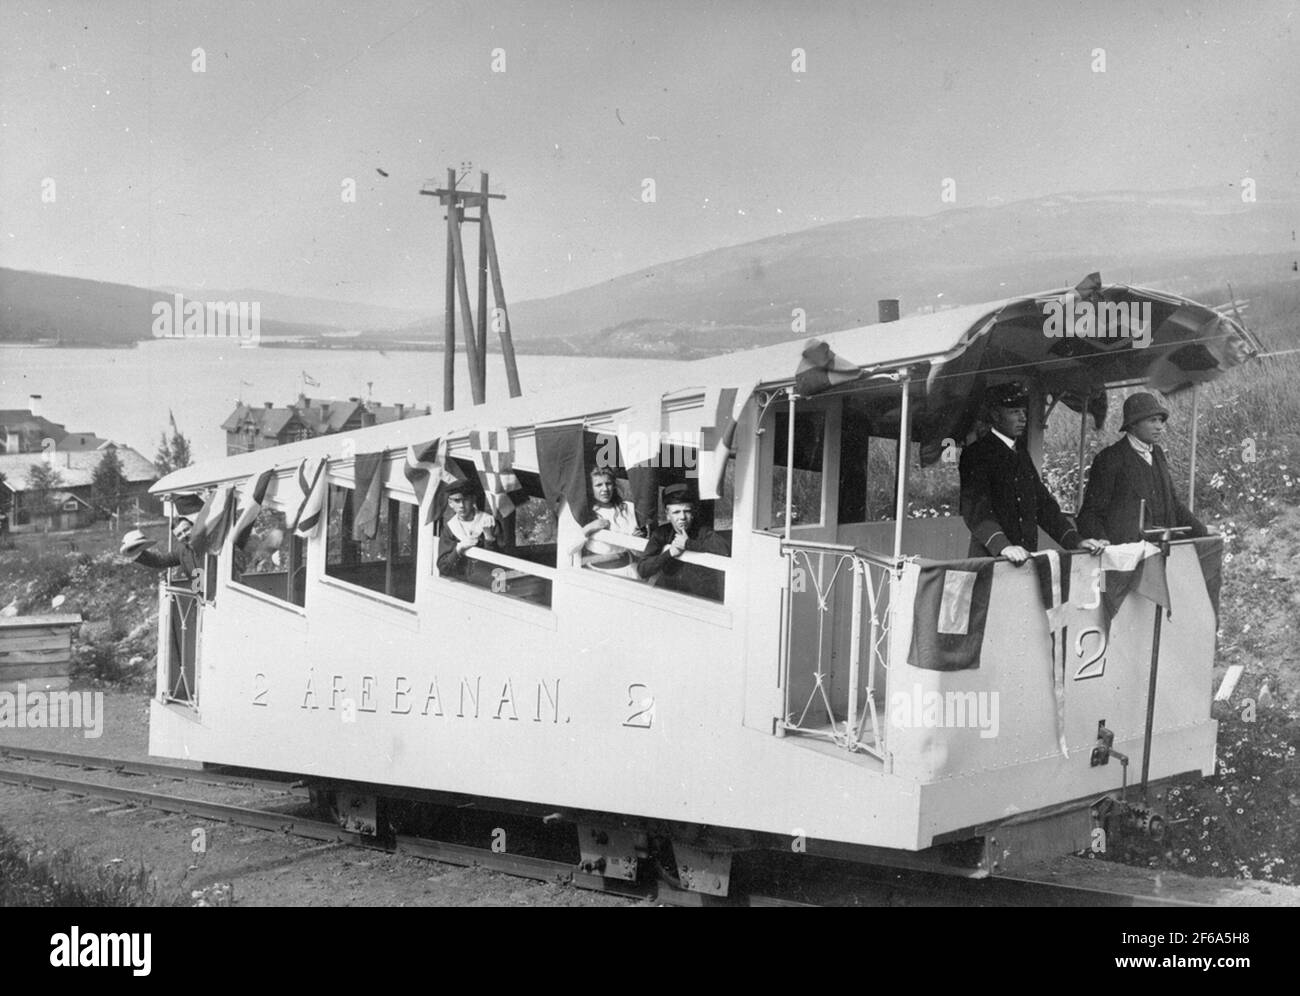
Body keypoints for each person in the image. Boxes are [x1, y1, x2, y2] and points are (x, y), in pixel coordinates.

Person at [958, 382, 1106, 565]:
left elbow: (1043, 506)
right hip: (991, 560)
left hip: (1025, 560)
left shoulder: (1020, 453)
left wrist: (1076, 541)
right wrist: (1003, 546)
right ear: (996, 415)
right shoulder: (976, 454)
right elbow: (976, 511)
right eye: (1014, 412)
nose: (1023, 418)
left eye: (1023, 411)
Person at [1078, 392, 1207, 544]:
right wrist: (1102, 540)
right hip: (1127, 555)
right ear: (1133, 424)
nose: (1159, 427)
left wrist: (1201, 530)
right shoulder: (1110, 458)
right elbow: (1090, 513)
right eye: (1152, 420)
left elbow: (1173, 504)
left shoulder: (1157, 454)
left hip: (1163, 548)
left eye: (1160, 420)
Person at [636, 483, 730, 600]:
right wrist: (669, 553)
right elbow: (642, 570)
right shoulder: (662, 533)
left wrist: (688, 544)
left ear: (693, 513)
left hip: (699, 597)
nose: (682, 517)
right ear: (668, 514)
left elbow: (724, 549)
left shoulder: (702, 531)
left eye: (687, 511)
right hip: (669, 595)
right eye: (676, 512)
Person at [573, 467, 644, 575]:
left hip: (627, 571)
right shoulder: (585, 513)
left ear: (614, 485)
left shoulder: (628, 508)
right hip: (595, 572)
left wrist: (636, 540)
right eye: (598, 485)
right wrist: (589, 528)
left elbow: (639, 551)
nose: (605, 489)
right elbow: (570, 548)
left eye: (608, 483)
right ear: (590, 488)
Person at [436, 480, 500, 578]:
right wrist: (459, 549)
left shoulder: (488, 522)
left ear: (473, 499)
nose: (461, 505)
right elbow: (443, 568)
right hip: (458, 583)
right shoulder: (450, 528)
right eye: (457, 501)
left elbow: (500, 565)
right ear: (450, 503)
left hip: (485, 582)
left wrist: (489, 539)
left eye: (465, 499)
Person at [121, 516, 202, 586]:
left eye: (187, 530)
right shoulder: (183, 551)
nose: (184, 536)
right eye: (179, 534)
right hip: (202, 600)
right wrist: (135, 549)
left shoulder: (211, 546)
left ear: (194, 527)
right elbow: (160, 561)